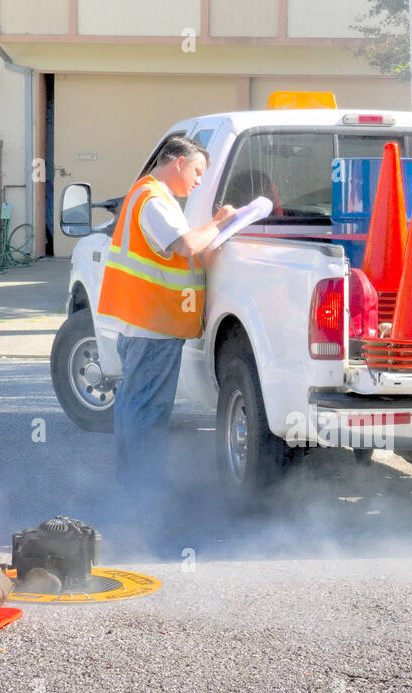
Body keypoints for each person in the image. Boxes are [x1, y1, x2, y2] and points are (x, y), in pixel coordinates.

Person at [96, 135, 237, 538]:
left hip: (145, 324)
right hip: (152, 328)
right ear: (177, 163)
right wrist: (220, 222)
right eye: (196, 172)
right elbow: (186, 244)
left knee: (134, 410)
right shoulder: (153, 200)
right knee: (146, 415)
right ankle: (144, 501)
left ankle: (131, 494)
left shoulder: (147, 196)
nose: (197, 181)